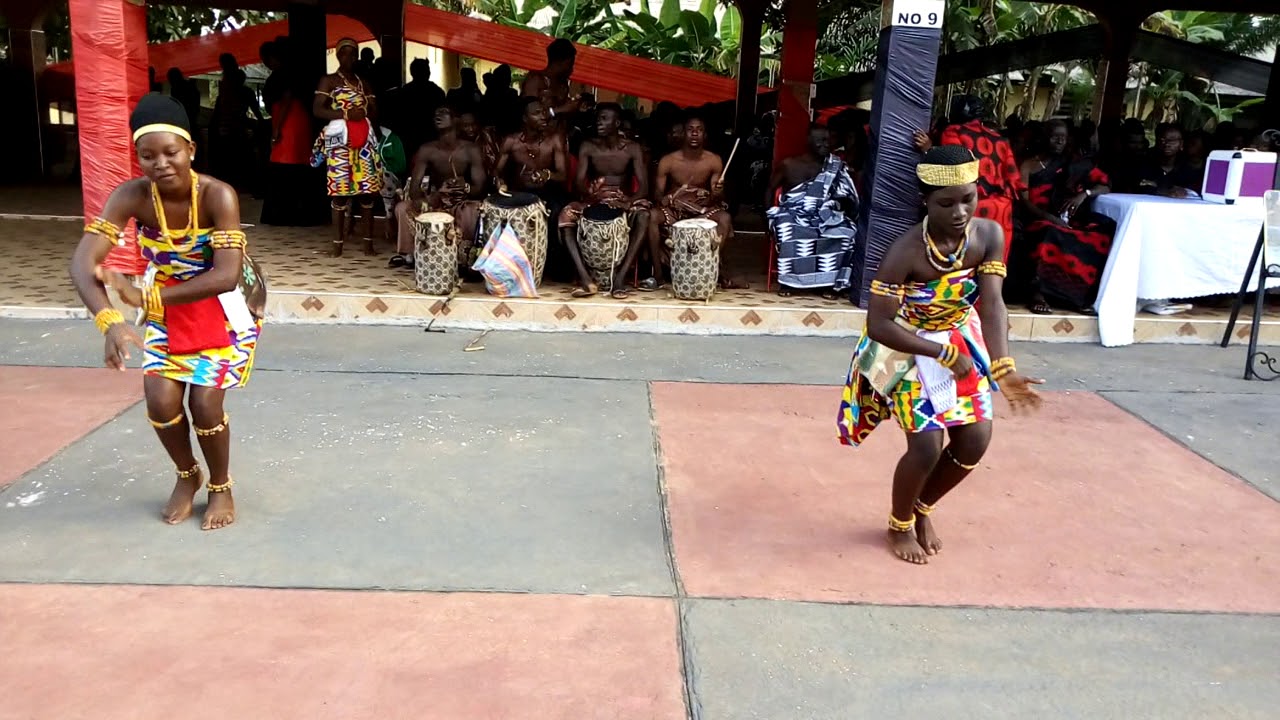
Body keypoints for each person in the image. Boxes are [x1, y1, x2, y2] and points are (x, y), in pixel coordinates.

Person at [837, 145, 1043, 565]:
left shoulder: (989, 235)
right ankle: (898, 525)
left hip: (959, 340)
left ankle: (922, 508)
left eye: (969, 199)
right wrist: (940, 353)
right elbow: (880, 325)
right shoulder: (904, 251)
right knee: (927, 447)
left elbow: (992, 304)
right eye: (946, 203)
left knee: (975, 440)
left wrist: (1003, 368)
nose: (961, 212)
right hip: (905, 343)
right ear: (925, 201)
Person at [68, 93, 263, 532]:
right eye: (147, 155)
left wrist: (143, 299)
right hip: (167, 305)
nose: (160, 163)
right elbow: (83, 263)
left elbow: (226, 276)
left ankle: (220, 484)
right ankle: (186, 474)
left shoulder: (219, 195)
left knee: (205, 403)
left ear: (191, 150)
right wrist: (110, 321)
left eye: (171, 152)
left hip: (226, 305)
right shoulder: (130, 197)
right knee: (160, 401)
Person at [914, 95, 1024, 264]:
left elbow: (954, 166)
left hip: (974, 203)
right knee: (994, 262)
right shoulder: (1000, 139)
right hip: (1002, 207)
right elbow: (1014, 179)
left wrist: (929, 149)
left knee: (965, 260)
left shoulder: (953, 131)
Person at [1019, 120, 1114, 314]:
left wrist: (1083, 195)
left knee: (1102, 233)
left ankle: (1076, 297)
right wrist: (1051, 218)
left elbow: (1105, 184)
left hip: (1069, 219)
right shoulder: (1028, 164)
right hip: (1038, 218)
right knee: (1049, 233)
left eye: (1063, 137)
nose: (1060, 141)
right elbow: (1024, 201)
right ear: (1043, 137)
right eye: (1055, 136)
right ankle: (1038, 294)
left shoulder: (1075, 163)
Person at [557, 103, 651, 299]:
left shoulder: (632, 148)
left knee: (643, 215)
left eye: (604, 119)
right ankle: (585, 279)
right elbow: (579, 182)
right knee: (565, 215)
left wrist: (628, 202)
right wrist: (590, 192)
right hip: (594, 199)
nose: (599, 123)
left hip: (622, 199)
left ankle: (620, 279)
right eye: (598, 118)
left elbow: (643, 187)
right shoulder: (588, 147)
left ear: (617, 123)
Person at [767, 125, 860, 296]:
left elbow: (847, 195)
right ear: (809, 142)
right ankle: (789, 283)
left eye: (828, 140)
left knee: (847, 232)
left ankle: (829, 284)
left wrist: (836, 205)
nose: (826, 145)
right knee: (787, 228)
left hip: (824, 214)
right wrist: (768, 219)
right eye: (821, 141)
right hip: (793, 213)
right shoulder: (789, 165)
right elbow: (770, 190)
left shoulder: (835, 166)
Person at [647, 115, 737, 291]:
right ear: (683, 134)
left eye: (699, 130)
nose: (695, 133)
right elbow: (657, 195)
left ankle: (710, 269)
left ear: (705, 135)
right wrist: (665, 199)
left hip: (702, 210)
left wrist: (718, 192)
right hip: (674, 210)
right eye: (690, 129)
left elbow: (716, 197)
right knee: (651, 216)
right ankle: (657, 275)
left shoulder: (714, 160)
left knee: (724, 218)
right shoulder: (668, 161)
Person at [314, 37, 385, 257]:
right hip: (340, 144)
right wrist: (345, 114)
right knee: (339, 194)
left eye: (353, 54)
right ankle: (337, 246)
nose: (349, 58)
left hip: (363, 142)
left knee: (367, 193)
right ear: (337, 55)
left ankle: (368, 245)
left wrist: (364, 114)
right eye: (344, 53)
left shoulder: (365, 83)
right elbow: (317, 110)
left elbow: (374, 111)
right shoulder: (329, 81)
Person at [390, 107, 486, 269]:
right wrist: (429, 198)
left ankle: (465, 256)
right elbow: (414, 188)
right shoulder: (427, 150)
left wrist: (465, 187)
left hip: (461, 202)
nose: (438, 116)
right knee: (403, 208)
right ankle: (412, 255)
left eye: (444, 113)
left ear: (456, 120)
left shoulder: (471, 150)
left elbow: (480, 188)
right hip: (437, 200)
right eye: (436, 114)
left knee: (474, 210)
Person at [495, 97, 570, 265]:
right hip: (519, 192)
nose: (543, 116)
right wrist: (499, 182)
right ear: (524, 118)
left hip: (548, 192)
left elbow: (563, 174)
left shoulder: (554, 140)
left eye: (544, 112)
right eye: (536, 113)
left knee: (557, 210)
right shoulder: (511, 142)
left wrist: (547, 175)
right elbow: (496, 171)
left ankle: (552, 262)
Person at [521, 38, 582, 126]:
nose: (571, 70)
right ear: (560, 62)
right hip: (536, 137)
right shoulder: (536, 79)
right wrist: (562, 109)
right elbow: (530, 114)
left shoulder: (563, 84)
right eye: (570, 64)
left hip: (557, 135)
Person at [1133, 124, 1203, 198]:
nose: (1167, 144)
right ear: (1157, 142)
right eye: (1163, 140)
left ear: (1181, 144)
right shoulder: (1144, 164)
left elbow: (1191, 192)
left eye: (1173, 141)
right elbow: (1138, 187)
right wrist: (1165, 191)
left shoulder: (1186, 170)